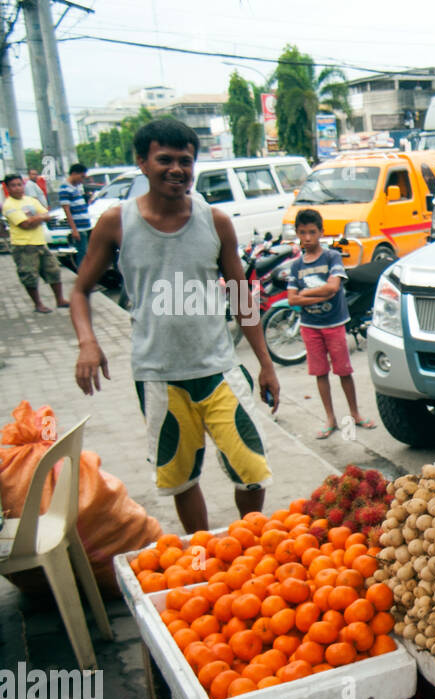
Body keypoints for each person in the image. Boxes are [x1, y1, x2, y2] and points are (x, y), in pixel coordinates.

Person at [70, 118, 281, 533]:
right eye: (164, 159)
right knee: (182, 479)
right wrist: (87, 343)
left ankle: (252, 544)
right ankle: (200, 554)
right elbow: (79, 290)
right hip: (159, 376)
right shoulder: (116, 223)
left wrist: (266, 363)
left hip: (218, 369)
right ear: (142, 163)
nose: (176, 169)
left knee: (252, 468)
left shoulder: (215, 222)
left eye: (185, 161)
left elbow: (241, 296)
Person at [286, 207, 376, 439]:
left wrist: (307, 294)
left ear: (321, 232)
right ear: (297, 233)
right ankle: (330, 418)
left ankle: (355, 413)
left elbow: (333, 287)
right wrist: (321, 294)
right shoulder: (296, 266)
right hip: (310, 327)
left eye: (312, 232)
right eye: (303, 232)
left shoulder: (331, 257)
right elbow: (292, 298)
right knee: (320, 372)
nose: (307, 238)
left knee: (344, 370)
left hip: (334, 324)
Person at [2, 172, 68, 312]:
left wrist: (34, 219)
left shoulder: (31, 200)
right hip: (23, 245)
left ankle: (60, 300)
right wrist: (38, 218)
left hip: (40, 242)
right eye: (13, 186)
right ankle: (38, 304)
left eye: (19, 185)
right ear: (7, 188)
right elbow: (24, 224)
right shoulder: (9, 205)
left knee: (53, 270)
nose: (17, 188)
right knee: (29, 275)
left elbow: (46, 215)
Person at [59, 163, 92, 269]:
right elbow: (67, 210)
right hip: (79, 228)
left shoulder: (75, 188)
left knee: (88, 254)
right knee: (83, 255)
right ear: (74, 174)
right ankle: (83, 278)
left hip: (85, 226)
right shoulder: (64, 188)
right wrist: (74, 229)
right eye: (81, 177)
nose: (82, 180)